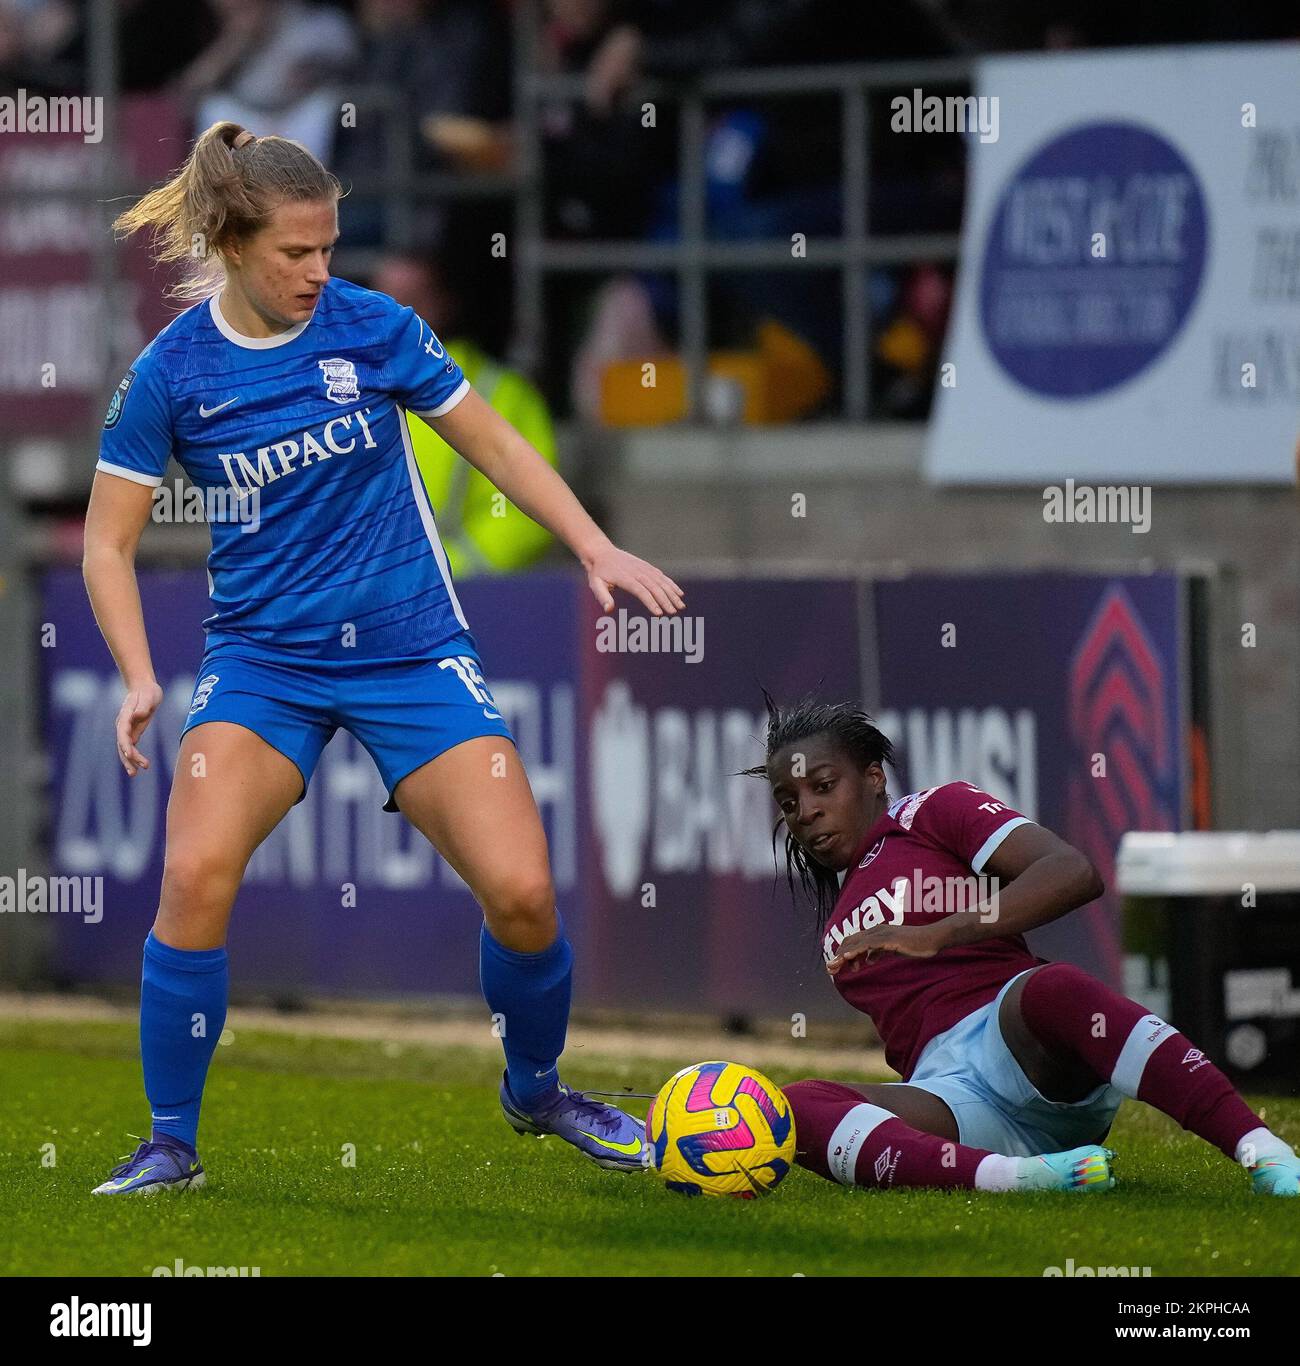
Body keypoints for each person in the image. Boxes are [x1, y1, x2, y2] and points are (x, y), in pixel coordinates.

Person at [83, 122, 684, 1195]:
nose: (320, 272)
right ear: (230, 242)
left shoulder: (375, 328)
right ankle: (170, 1141)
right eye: (295, 254)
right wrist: (138, 673)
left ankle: (536, 1086)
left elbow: (493, 442)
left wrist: (591, 543)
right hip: (264, 661)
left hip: (410, 653)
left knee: (524, 894)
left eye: (329, 248)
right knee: (192, 873)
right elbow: (105, 543)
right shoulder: (170, 373)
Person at [745, 695, 1299, 1196]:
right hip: (955, 1099)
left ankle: (1264, 1153)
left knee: (1053, 987)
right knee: (790, 1105)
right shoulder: (837, 930)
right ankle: (1017, 1178)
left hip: (1026, 1046)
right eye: (788, 801)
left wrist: (939, 931)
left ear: (872, 778)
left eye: (822, 785)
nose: (807, 811)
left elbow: (1072, 871)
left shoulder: (935, 811)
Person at [371, 252, 556, 577]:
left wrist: (442, 567)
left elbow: (528, 509)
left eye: (409, 301)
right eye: (379, 301)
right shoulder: (339, 384)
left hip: (468, 598)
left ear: (445, 303)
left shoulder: (500, 392)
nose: (390, 315)